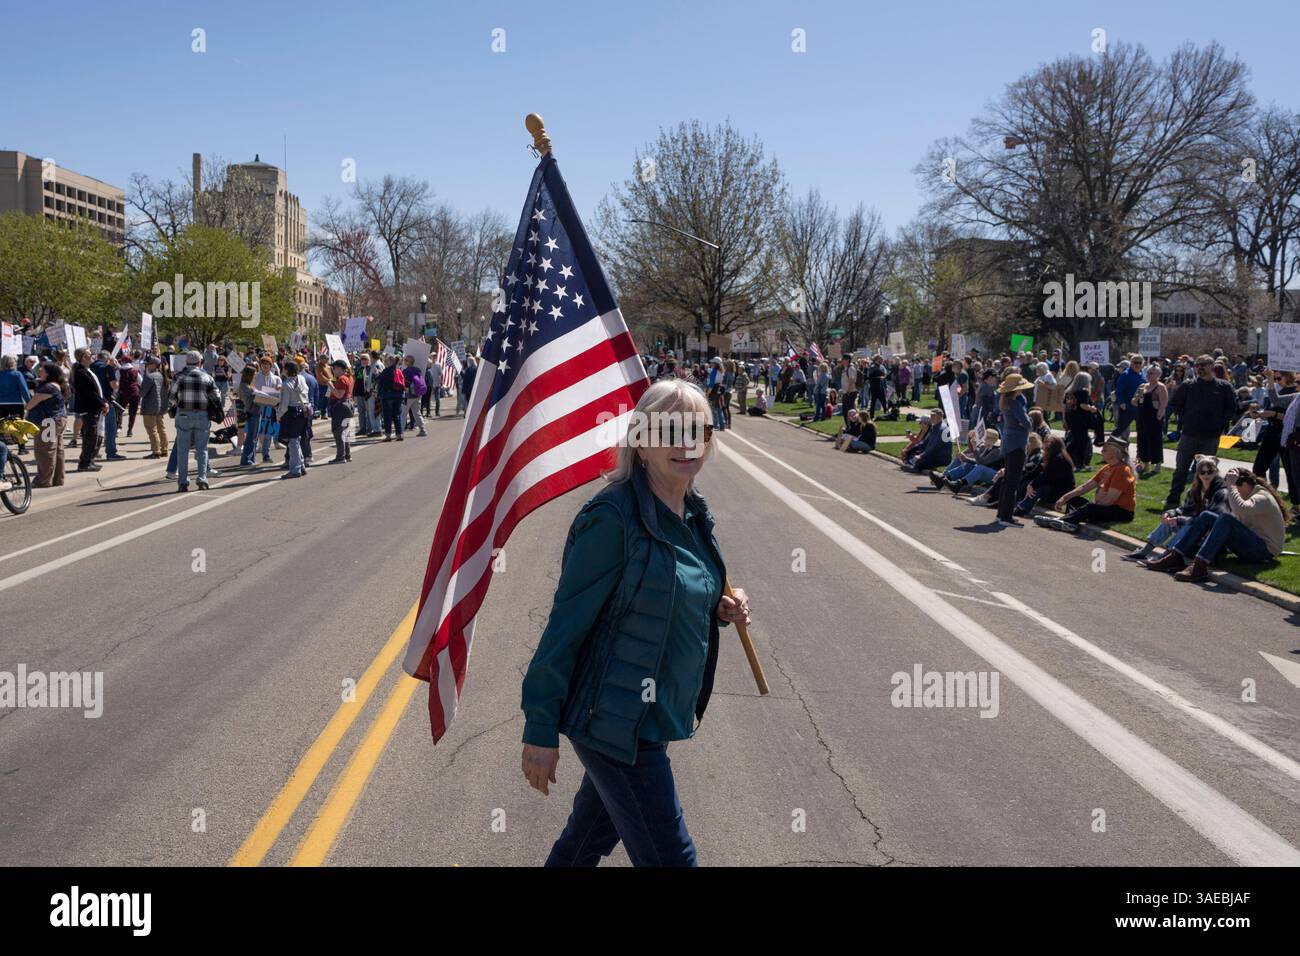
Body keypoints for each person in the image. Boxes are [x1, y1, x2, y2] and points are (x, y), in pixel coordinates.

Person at [521, 378, 748, 867]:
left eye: (699, 429)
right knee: (672, 858)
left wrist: (720, 608)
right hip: (615, 721)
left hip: (649, 716)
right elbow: (565, 627)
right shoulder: (612, 518)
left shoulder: (691, 511)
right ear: (640, 440)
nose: (688, 442)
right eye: (671, 428)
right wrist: (540, 728)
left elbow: (672, 591)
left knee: (582, 847)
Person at [1142, 468, 1288, 582]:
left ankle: (1199, 567)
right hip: (1252, 545)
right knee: (1207, 516)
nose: (1231, 492)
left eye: (1235, 488)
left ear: (1244, 485)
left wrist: (1231, 487)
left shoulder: (1262, 497)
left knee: (1225, 518)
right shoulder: (1252, 494)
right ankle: (1176, 556)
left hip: (1264, 552)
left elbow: (1240, 509)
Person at [1163, 355, 1237, 510]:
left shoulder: (1224, 387)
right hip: (1189, 433)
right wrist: (1184, 417)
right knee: (1181, 469)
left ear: (1212, 366)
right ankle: (1173, 499)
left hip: (1210, 436)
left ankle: (1206, 502)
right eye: (1197, 365)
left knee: (1207, 471)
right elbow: (1176, 403)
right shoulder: (1188, 385)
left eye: (1203, 365)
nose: (1199, 368)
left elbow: (1231, 408)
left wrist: (1220, 422)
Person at [1126, 457, 1229, 563]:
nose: (1206, 475)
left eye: (1210, 471)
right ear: (1197, 473)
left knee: (1188, 525)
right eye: (1202, 472)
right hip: (1195, 532)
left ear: (1216, 471)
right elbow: (1184, 509)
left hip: (1209, 538)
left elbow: (1211, 521)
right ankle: (1144, 552)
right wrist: (1170, 513)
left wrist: (1179, 519)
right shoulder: (1195, 490)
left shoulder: (1221, 492)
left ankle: (1166, 557)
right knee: (1169, 520)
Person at [1036, 436, 1136, 533]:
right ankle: (1066, 521)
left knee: (1090, 508)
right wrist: (1065, 497)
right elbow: (1085, 487)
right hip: (1105, 507)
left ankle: (1066, 522)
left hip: (1121, 512)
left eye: (1105, 450)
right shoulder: (1107, 467)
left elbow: (1110, 500)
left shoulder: (1122, 471)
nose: (1101, 452)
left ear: (1114, 453)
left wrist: (1093, 506)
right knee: (1074, 499)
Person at [167, 351, 221, 492]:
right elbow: (216, 397)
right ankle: (202, 479)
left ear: (187, 362)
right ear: (200, 362)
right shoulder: (207, 377)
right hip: (202, 415)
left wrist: (180, 401)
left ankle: (183, 482)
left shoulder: (180, 377)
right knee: (202, 449)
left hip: (184, 414)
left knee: (183, 450)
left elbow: (171, 397)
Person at [24, 362, 68, 487]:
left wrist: (26, 406)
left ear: (49, 373)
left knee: (44, 451)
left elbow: (31, 404)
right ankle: (58, 479)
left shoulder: (48, 387)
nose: (39, 372)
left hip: (48, 422)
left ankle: (43, 480)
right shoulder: (56, 385)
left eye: (42, 370)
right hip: (56, 420)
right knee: (57, 451)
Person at [932, 427, 1002, 493]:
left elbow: (981, 462)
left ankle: (959, 485)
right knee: (969, 464)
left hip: (996, 475)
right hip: (986, 470)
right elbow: (978, 460)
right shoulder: (985, 446)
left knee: (981, 468)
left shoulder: (997, 450)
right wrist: (966, 458)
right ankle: (945, 479)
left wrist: (974, 449)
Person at [71, 347, 107, 472]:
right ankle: (84, 463)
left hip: (94, 407)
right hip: (89, 408)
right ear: (84, 357)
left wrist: (103, 402)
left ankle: (89, 461)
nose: (92, 355)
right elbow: (90, 393)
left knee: (93, 436)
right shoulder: (81, 372)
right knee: (90, 437)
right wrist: (102, 403)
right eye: (89, 354)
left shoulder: (87, 370)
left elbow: (95, 390)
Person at [276, 360, 312, 479]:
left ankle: (295, 469)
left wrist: (278, 415)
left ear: (286, 370)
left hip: (291, 413)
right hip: (303, 411)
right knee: (297, 440)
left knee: (292, 442)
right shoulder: (301, 379)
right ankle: (301, 466)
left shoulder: (286, 385)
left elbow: (284, 405)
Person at [1133, 363, 1168, 475]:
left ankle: (1157, 464)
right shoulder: (1142, 386)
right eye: (1147, 372)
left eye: (1151, 373)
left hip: (1154, 417)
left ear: (1158, 374)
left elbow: (1163, 403)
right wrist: (1137, 397)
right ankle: (1145, 463)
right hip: (1142, 417)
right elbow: (1133, 402)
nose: (1148, 375)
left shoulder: (1160, 387)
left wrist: (1159, 416)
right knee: (1142, 440)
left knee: (1155, 440)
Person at [901, 409, 952, 473]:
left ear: (939, 416)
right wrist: (908, 450)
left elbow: (934, 448)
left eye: (933, 415)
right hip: (933, 454)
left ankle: (915, 467)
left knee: (919, 460)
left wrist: (921, 456)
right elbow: (924, 443)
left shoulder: (942, 429)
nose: (931, 417)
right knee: (910, 454)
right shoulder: (935, 427)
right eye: (931, 415)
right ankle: (913, 464)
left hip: (941, 458)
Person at [138, 357, 169, 458]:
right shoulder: (162, 375)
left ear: (153, 365)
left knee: (152, 430)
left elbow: (142, 393)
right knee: (161, 428)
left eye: (148, 364)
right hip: (160, 407)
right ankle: (164, 449)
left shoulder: (149, 377)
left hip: (149, 407)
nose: (146, 366)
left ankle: (156, 451)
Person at [327, 360, 355, 463]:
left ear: (339, 368)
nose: (333, 370)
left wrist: (331, 385)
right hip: (346, 406)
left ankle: (340, 456)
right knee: (345, 432)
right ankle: (347, 455)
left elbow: (339, 395)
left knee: (338, 432)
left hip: (340, 408)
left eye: (334, 368)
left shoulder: (342, 379)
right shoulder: (348, 378)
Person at [377, 354, 407, 441]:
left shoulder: (386, 371)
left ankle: (388, 435)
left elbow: (379, 382)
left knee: (387, 416)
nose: (385, 363)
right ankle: (399, 434)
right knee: (397, 415)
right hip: (398, 395)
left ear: (389, 362)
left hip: (387, 396)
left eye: (386, 361)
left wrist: (380, 393)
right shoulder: (398, 371)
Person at [403, 355, 428, 436]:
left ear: (408, 362)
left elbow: (405, 384)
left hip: (408, 395)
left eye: (405, 360)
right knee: (417, 413)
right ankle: (423, 430)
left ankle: (399, 433)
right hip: (417, 394)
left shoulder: (406, 371)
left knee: (403, 413)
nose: (404, 361)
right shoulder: (418, 370)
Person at [0, 354, 31, 419]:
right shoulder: (17, 374)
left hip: (1, 404)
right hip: (16, 404)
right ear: (13, 363)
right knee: (17, 427)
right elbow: (24, 390)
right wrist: (29, 402)